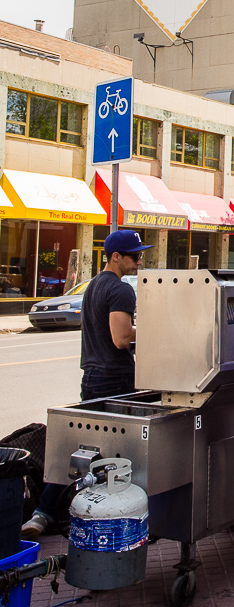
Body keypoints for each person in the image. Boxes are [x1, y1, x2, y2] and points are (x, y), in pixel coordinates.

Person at [22, 229, 151, 539]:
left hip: (91, 376)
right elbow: (121, 338)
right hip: (115, 378)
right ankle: (123, 514)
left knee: (80, 448)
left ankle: (42, 513)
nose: (139, 261)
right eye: (134, 256)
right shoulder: (120, 290)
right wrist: (150, 327)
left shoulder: (93, 286)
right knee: (129, 450)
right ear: (116, 257)